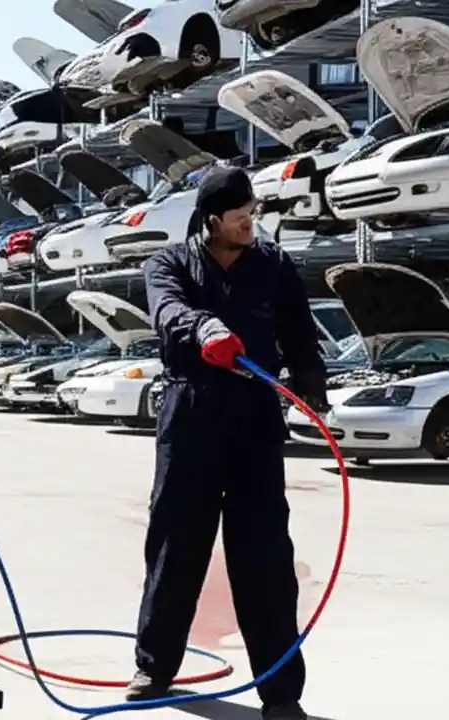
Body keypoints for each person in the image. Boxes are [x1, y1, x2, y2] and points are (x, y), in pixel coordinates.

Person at [127, 166, 330, 720]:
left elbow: (299, 333)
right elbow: (167, 310)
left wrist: (314, 390)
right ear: (213, 220)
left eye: (253, 216)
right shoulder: (167, 263)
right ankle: (155, 668)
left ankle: (281, 692)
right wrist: (205, 328)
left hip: (255, 417)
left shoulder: (275, 265)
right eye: (241, 219)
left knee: (265, 555)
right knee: (176, 545)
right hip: (190, 412)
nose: (250, 226)